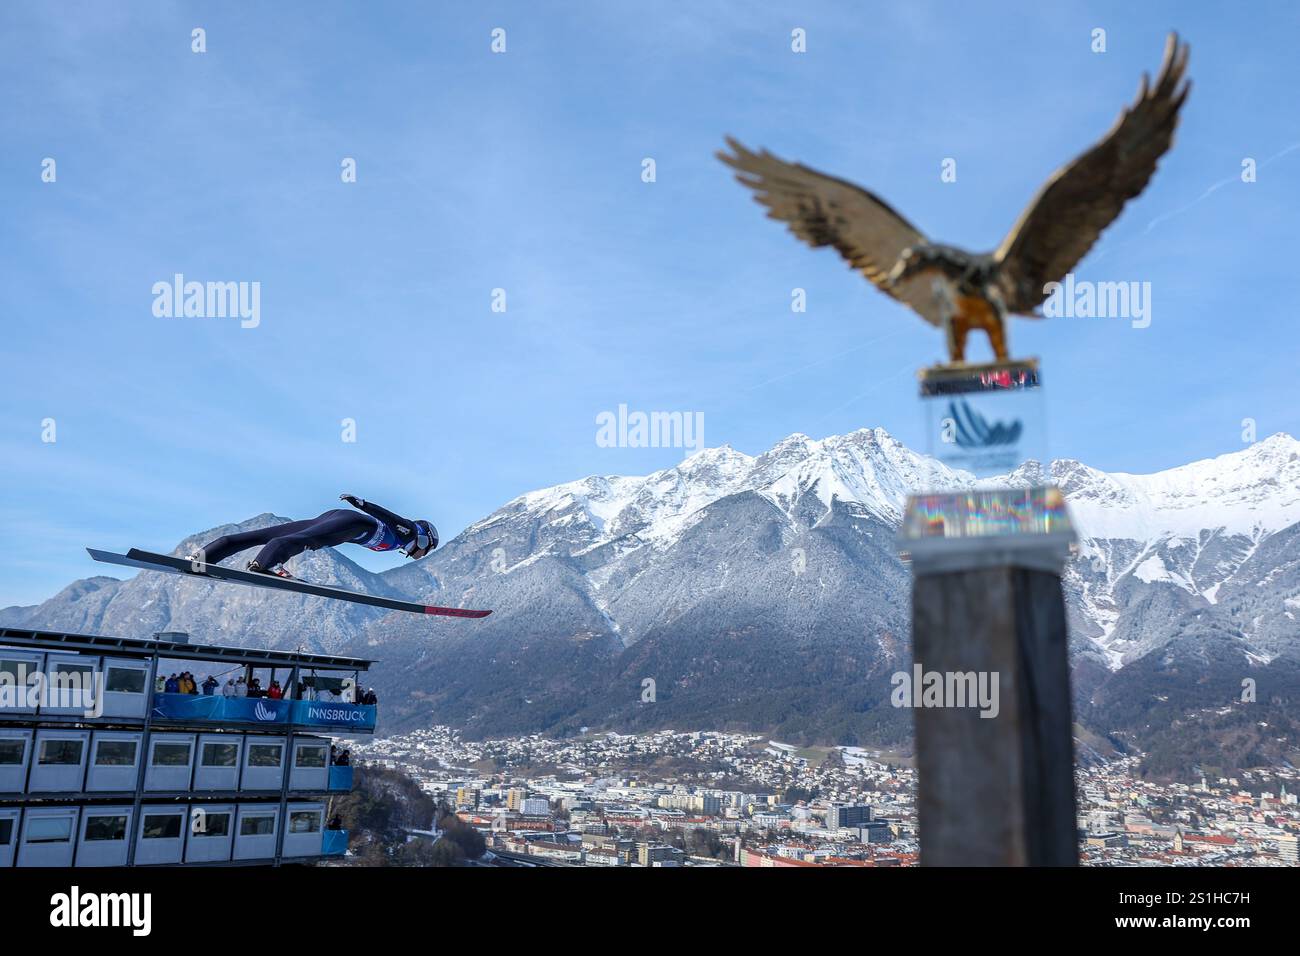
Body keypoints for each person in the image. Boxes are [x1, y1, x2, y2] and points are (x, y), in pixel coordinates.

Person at [188, 494, 438, 579]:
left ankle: (202, 558)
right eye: (425, 548)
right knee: (303, 540)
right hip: (353, 522)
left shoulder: (398, 542)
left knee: (264, 534)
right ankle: (266, 564)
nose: (421, 554)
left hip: (340, 521)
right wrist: (361, 503)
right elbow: (389, 516)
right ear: (422, 538)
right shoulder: (407, 531)